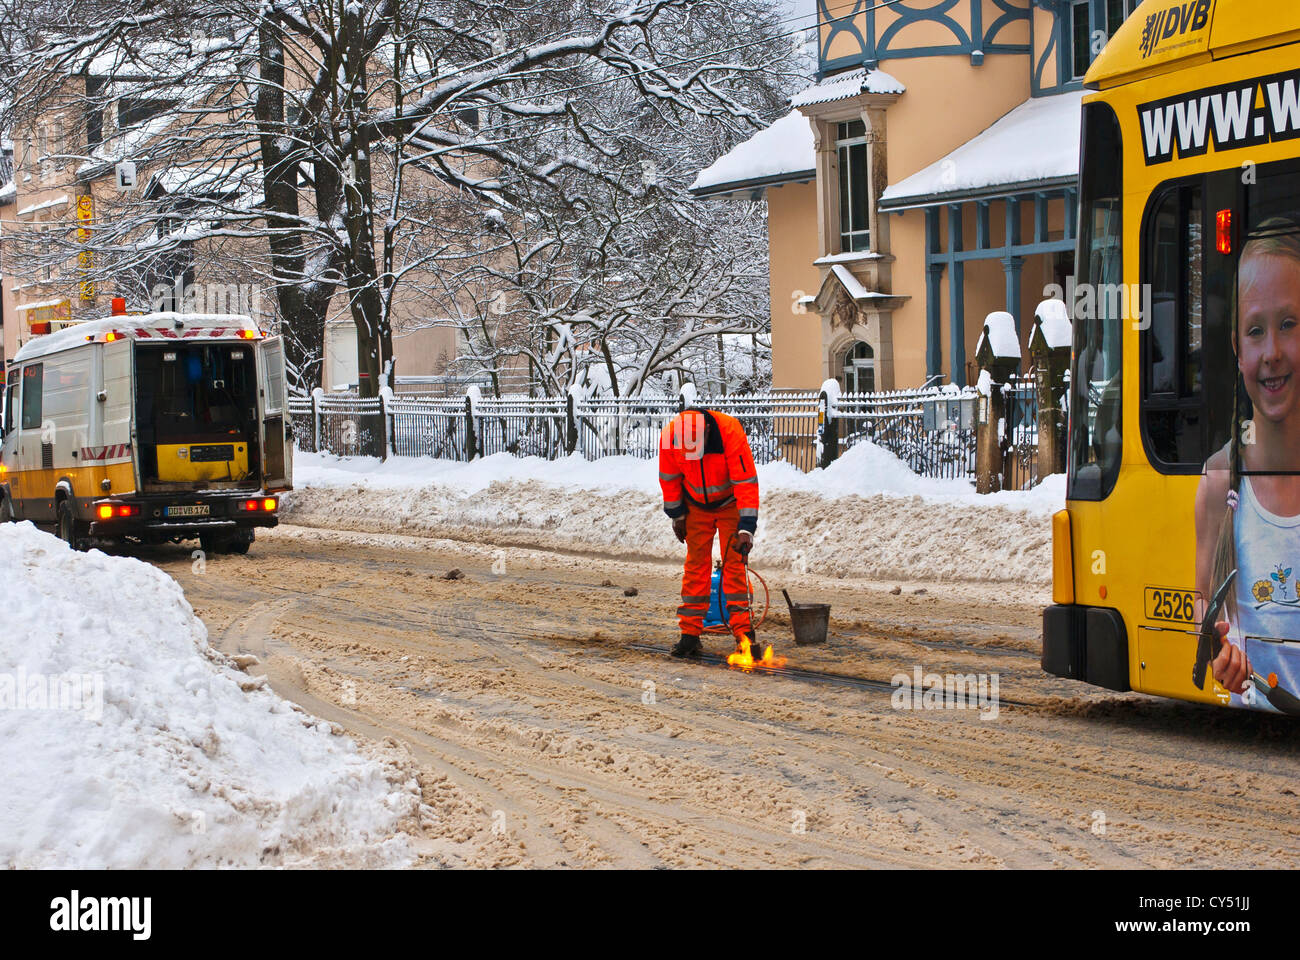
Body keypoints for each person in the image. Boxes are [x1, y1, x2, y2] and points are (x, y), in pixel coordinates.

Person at [1195, 218, 1300, 711]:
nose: (1273, 353)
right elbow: (1206, 616)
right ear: (1238, 349)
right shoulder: (1220, 482)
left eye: (1289, 324)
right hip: (1255, 755)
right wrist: (1219, 655)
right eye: (1256, 331)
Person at [658, 407, 760, 659]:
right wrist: (678, 516)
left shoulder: (730, 433)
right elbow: (669, 479)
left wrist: (746, 528)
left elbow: (745, 482)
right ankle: (690, 635)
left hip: (729, 505)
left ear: (708, 433)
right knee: (696, 566)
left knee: (735, 564)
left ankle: (743, 633)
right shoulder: (670, 437)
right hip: (695, 506)